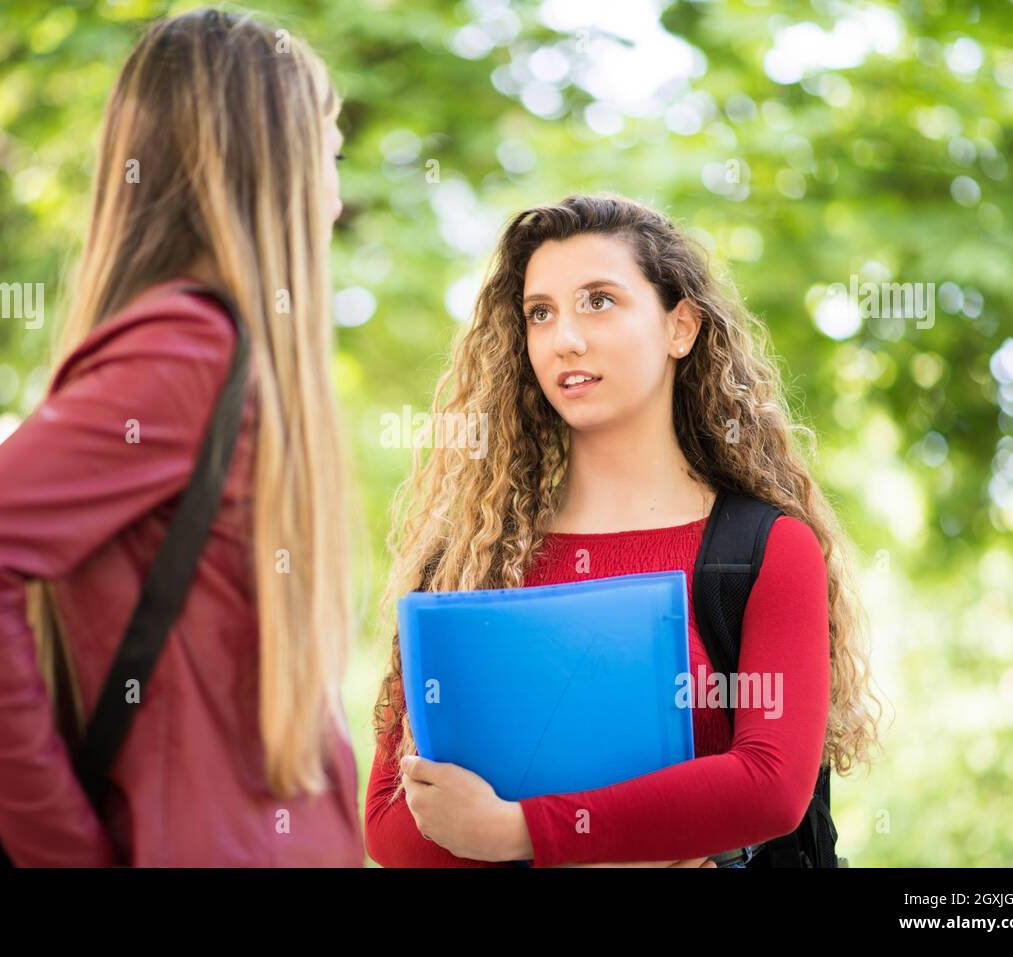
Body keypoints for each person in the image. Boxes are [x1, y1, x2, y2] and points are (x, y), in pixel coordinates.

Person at [0, 7, 362, 866]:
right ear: (272, 167)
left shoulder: (204, 355)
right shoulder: (189, 352)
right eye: (328, 155)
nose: (335, 197)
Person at [365, 194, 883, 867]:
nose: (565, 338)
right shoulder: (466, 559)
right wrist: (640, 834)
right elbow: (391, 824)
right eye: (540, 313)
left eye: (599, 300)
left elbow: (768, 788)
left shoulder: (765, 550)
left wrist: (520, 830)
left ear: (682, 327)